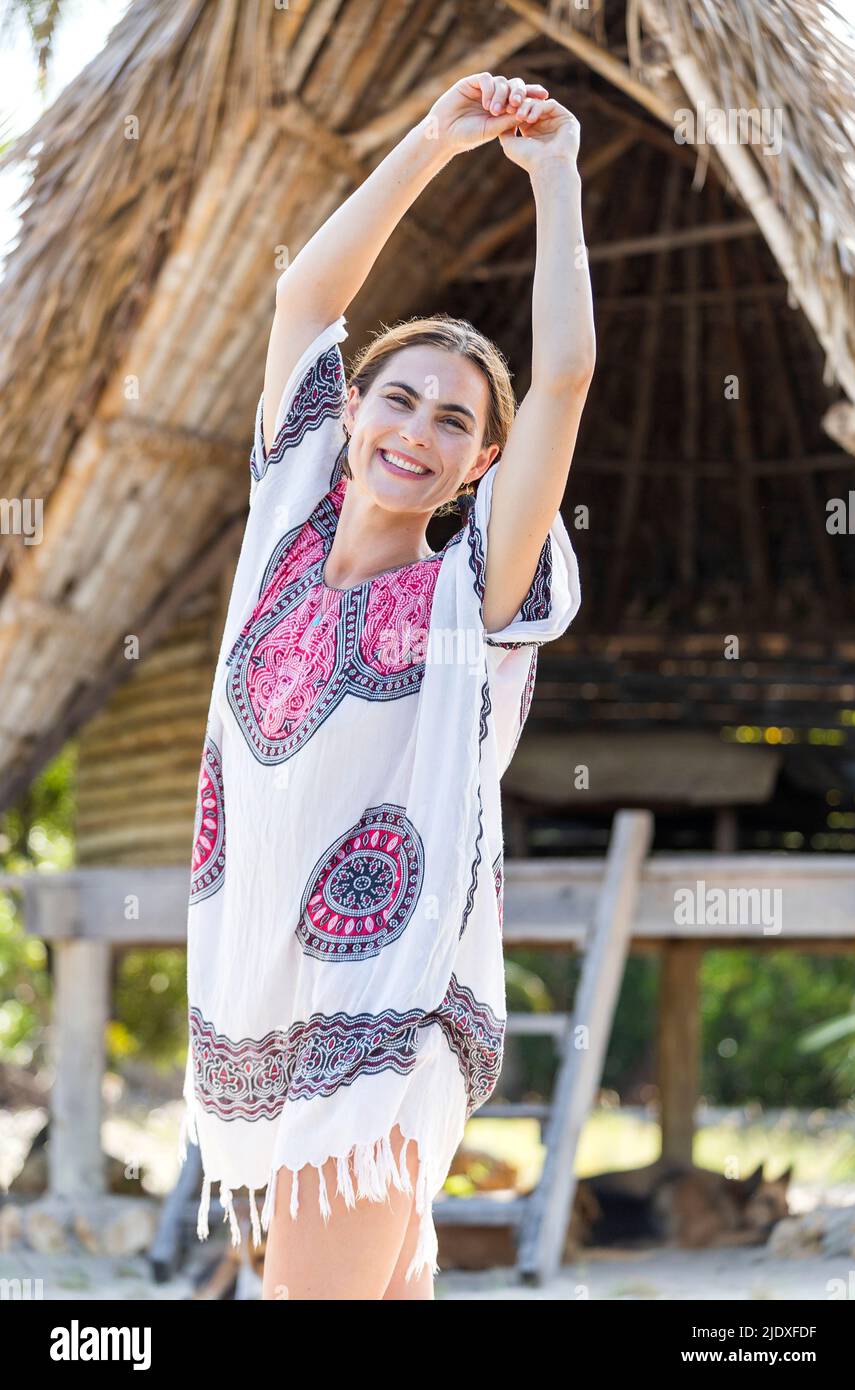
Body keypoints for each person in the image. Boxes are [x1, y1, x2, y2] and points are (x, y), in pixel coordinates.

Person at [178, 71, 595, 1301]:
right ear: (349, 410)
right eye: (398, 398)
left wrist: (554, 178)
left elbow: (561, 380)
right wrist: (428, 140)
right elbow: (307, 290)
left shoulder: (469, 591)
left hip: (388, 1021)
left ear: (479, 465)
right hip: (285, 1024)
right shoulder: (283, 522)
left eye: (453, 422)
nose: (416, 429)